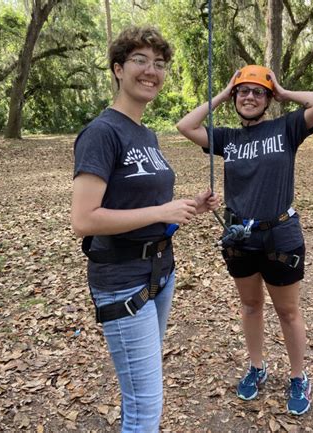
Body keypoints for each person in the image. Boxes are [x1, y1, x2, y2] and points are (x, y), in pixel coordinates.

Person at [71, 26, 218, 432]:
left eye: (159, 63)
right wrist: (161, 209)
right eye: (139, 60)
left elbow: (143, 209)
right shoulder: (102, 133)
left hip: (159, 274)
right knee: (145, 407)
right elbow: (84, 220)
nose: (151, 70)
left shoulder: (146, 134)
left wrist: (188, 209)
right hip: (122, 282)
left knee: (144, 393)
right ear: (118, 69)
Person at [176, 65, 313, 415]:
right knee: (250, 306)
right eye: (242, 92)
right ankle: (257, 368)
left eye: (257, 92)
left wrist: (283, 91)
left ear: (267, 99)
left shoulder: (287, 128)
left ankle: (298, 377)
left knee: (287, 311)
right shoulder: (228, 139)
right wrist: (222, 90)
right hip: (239, 237)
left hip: (281, 234)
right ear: (234, 98)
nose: (249, 97)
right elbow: (186, 126)